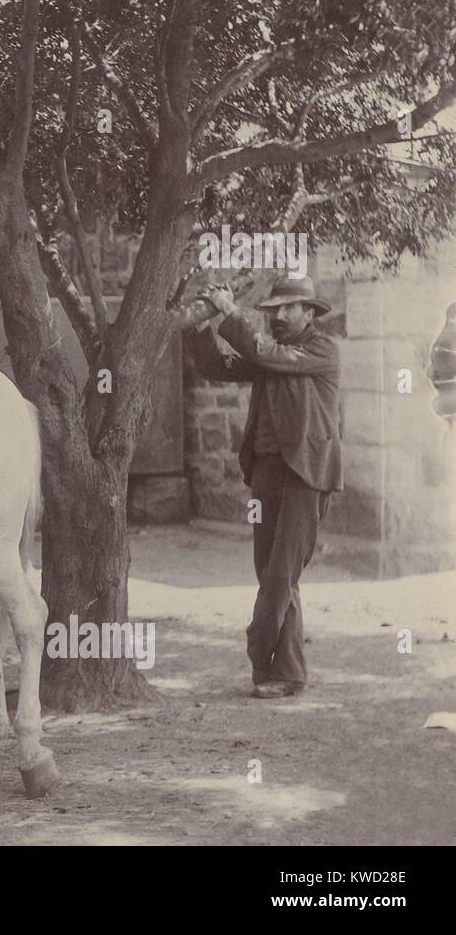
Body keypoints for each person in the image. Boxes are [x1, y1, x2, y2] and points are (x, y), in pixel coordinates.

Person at [189, 276, 342, 698]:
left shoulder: (321, 350)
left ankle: (261, 655)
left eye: (288, 308)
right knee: (271, 573)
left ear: (310, 313)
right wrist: (197, 325)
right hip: (266, 473)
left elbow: (266, 353)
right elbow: (215, 366)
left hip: (306, 473)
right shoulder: (271, 352)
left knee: (281, 573)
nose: (278, 315)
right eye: (274, 310)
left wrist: (230, 312)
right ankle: (288, 672)